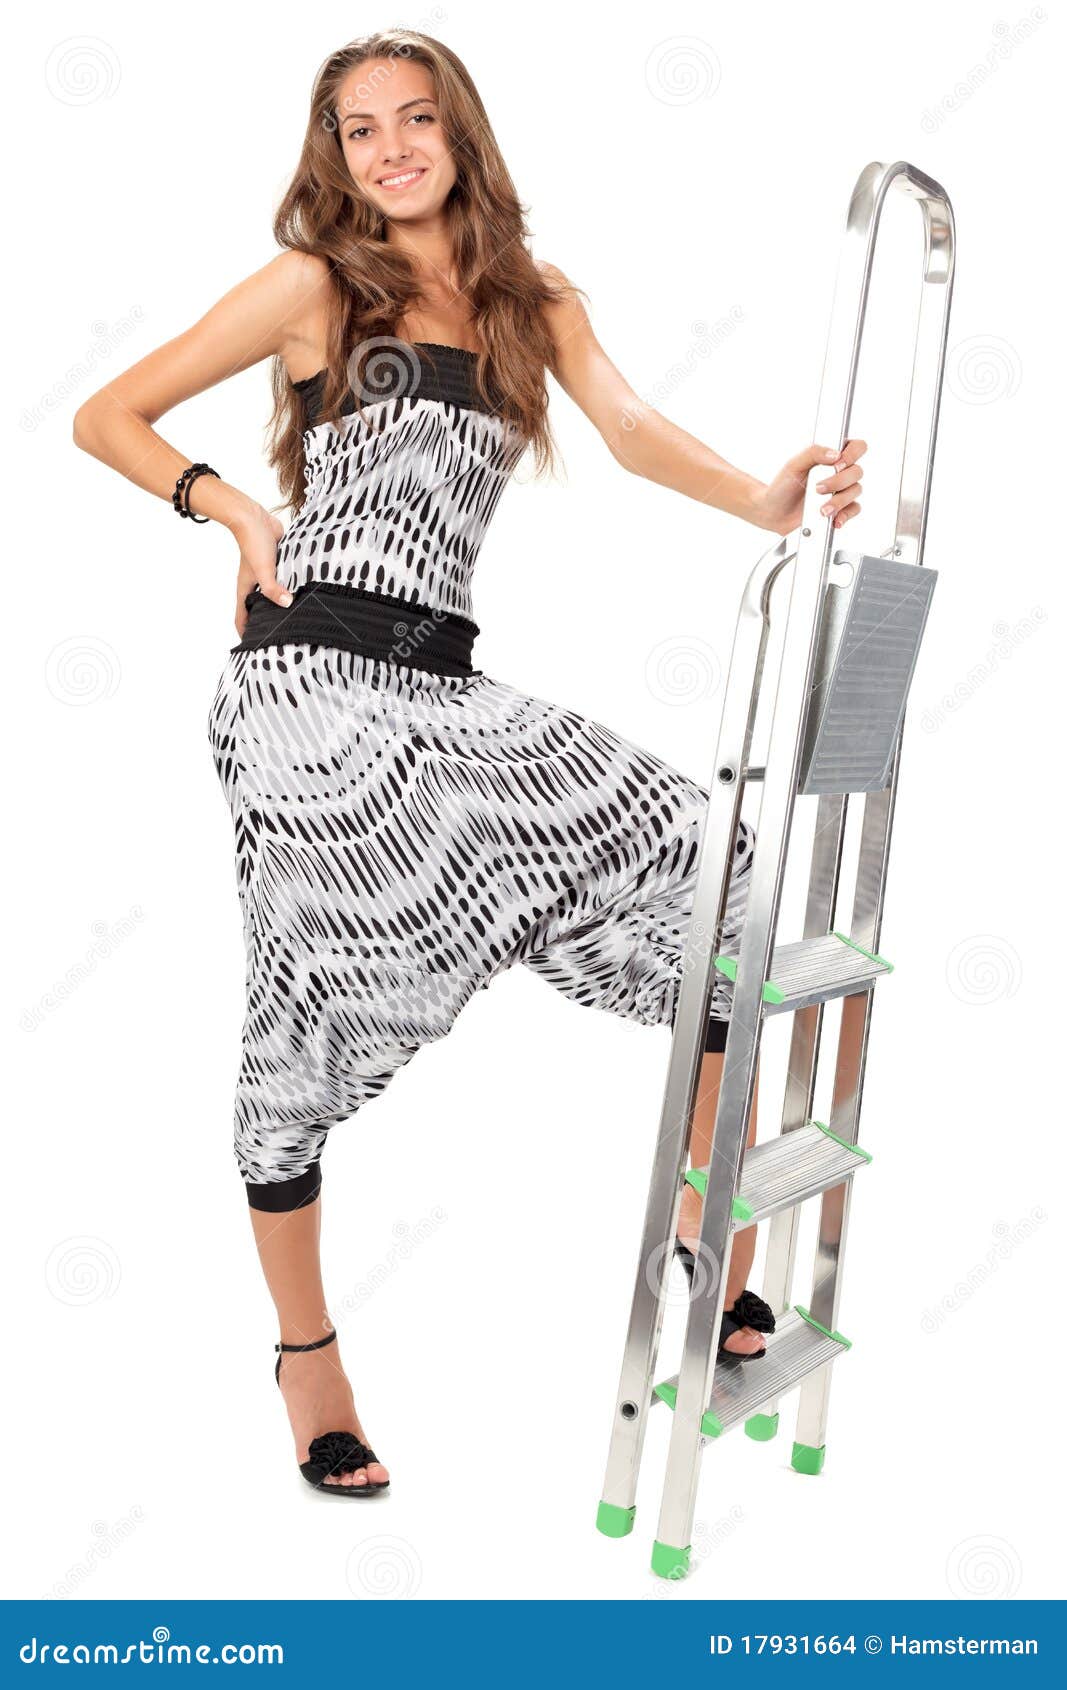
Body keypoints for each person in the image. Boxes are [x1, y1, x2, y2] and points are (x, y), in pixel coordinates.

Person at [73, 29, 866, 1498]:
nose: (390, 150)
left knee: (714, 864)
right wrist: (234, 511)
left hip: (442, 686)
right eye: (360, 130)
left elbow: (626, 429)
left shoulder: (529, 297)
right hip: (309, 689)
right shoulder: (318, 284)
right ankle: (309, 1358)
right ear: (336, 156)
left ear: (459, 132)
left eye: (415, 120)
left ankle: (708, 1254)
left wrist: (768, 498)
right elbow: (102, 413)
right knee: (306, 1017)